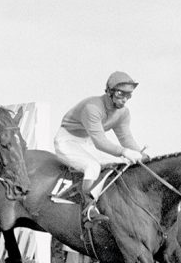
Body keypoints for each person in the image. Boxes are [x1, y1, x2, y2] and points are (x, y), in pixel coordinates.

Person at [54, 71, 149, 224]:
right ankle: (87, 207)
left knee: (121, 162)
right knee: (92, 166)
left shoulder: (123, 113)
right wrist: (124, 152)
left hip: (87, 141)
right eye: (120, 94)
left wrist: (139, 154)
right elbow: (100, 142)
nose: (124, 99)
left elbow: (125, 138)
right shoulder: (92, 107)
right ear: (109, 92)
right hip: (68, 140)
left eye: (128, 95)